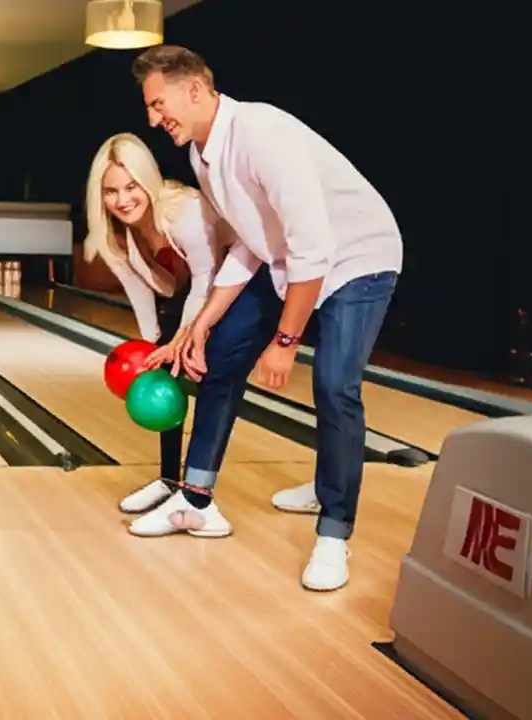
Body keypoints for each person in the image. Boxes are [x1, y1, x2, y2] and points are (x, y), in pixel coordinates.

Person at [127, 45, 403, 592]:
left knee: (335, 385)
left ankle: (334, 531)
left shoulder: (262, 135)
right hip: (288, 263)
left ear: (194, 90)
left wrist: (284, 341)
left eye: (159, 105)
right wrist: (204, 321)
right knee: (219, 354)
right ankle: (196, 501)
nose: (154, 120)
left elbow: (313, 250)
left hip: (358, 259)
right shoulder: (202, 156)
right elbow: (252, 245)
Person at [81, 132, 232, 514]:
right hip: (188, 294)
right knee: (165, 374)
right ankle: (168, 481)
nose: (122, 200)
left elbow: (207, 276)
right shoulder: (113, 234)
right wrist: (153, 347)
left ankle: (195, 492)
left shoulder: (184, 210)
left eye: (131, 186)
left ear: (147, 178)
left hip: (231, 287)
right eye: (111, 191)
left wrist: (182, 339)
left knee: (210, 380)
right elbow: (139, 291)